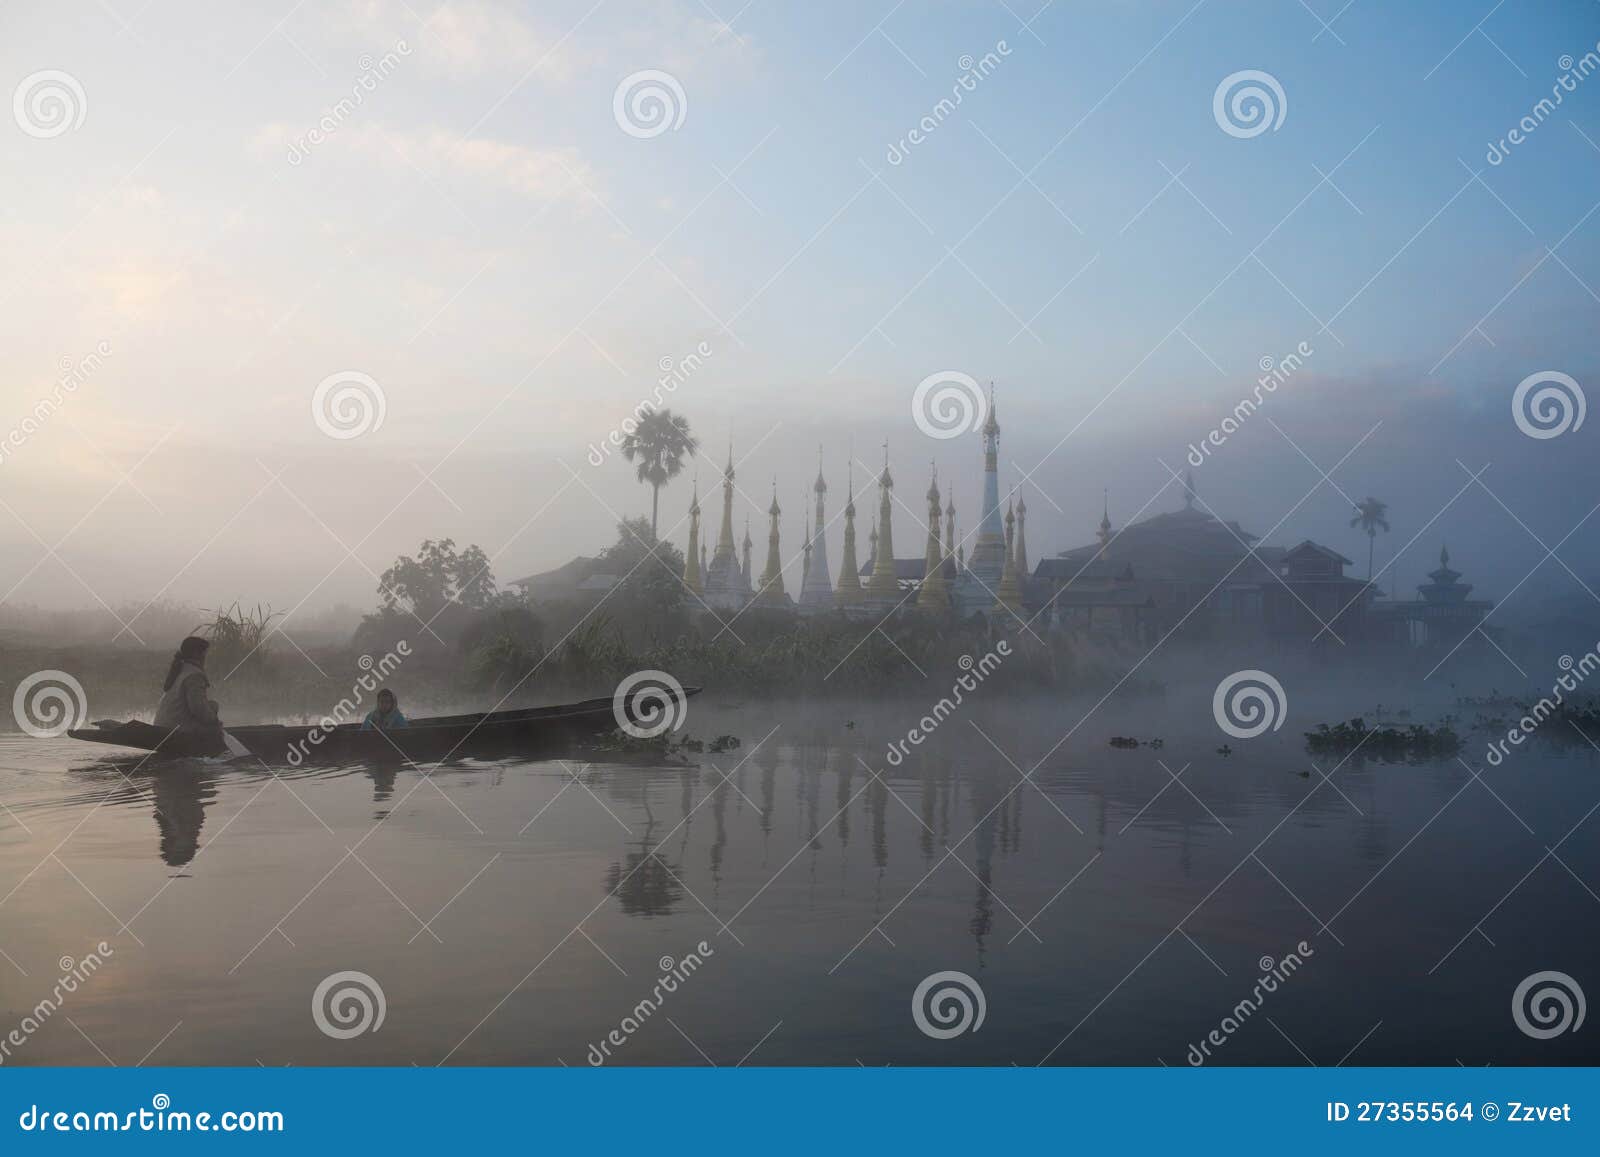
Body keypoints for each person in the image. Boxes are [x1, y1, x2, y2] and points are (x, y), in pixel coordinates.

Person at [154, 635, 223, 742]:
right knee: (214, 707)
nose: (205, 657)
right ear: (196, 653)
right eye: (204, 653)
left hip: (161, 726)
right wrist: (215, 721)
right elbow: (198, 709)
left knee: (212, 706)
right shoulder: (194, 675)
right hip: (177, 731)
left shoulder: (180, 669)